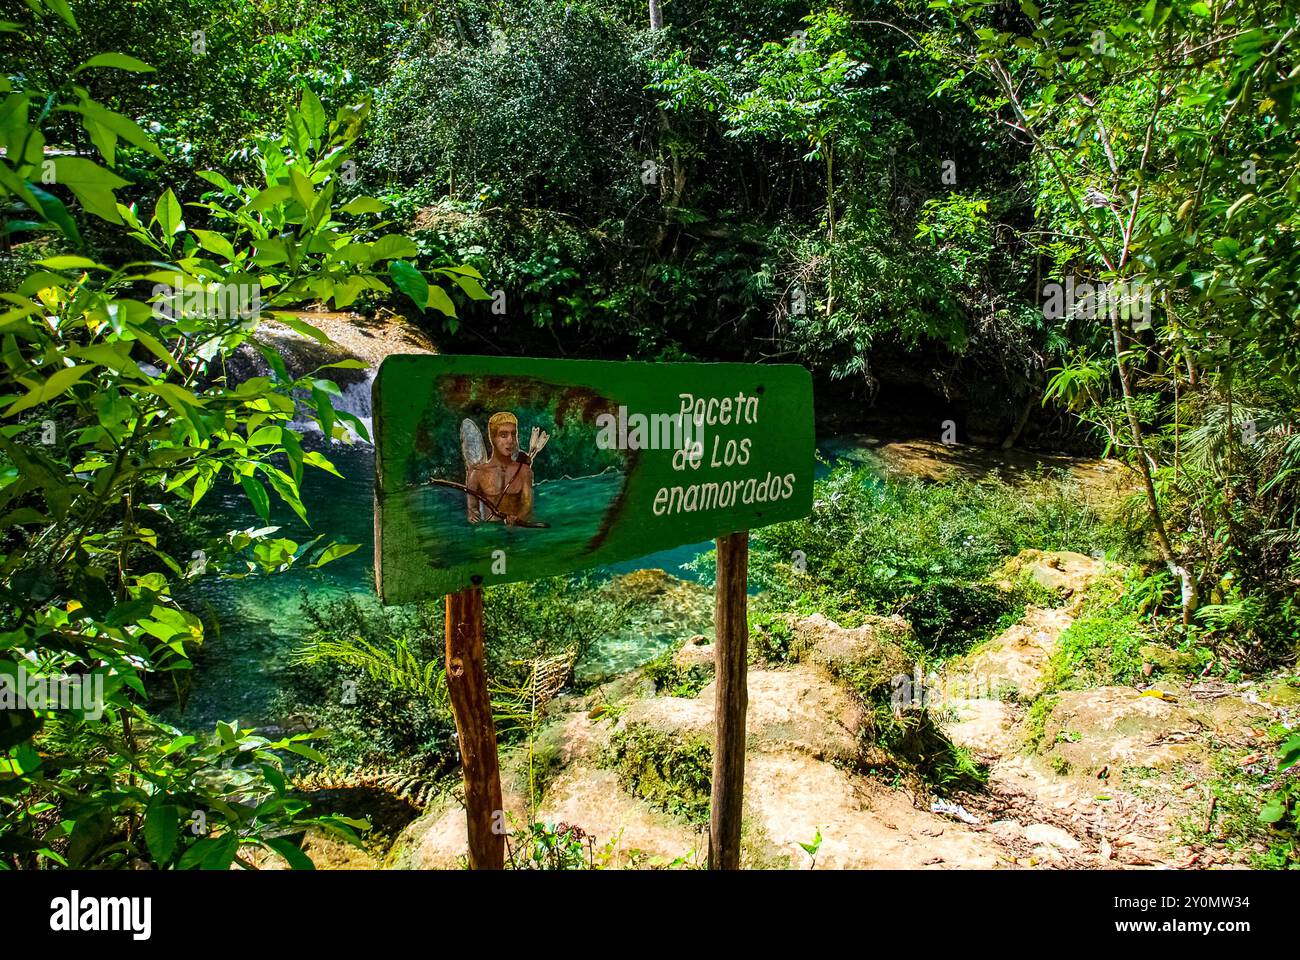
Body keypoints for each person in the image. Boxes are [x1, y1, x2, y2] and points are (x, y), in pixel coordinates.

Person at [466, 412, 539, 525]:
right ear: (492, 438)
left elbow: (527, 507)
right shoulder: (477, 473)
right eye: (504, 435)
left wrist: (517, 519)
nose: (510, 440)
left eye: (513, 434)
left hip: (516, 534)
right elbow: (472, 509)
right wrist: (473, 514)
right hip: (491, 534)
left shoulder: (524, 471)